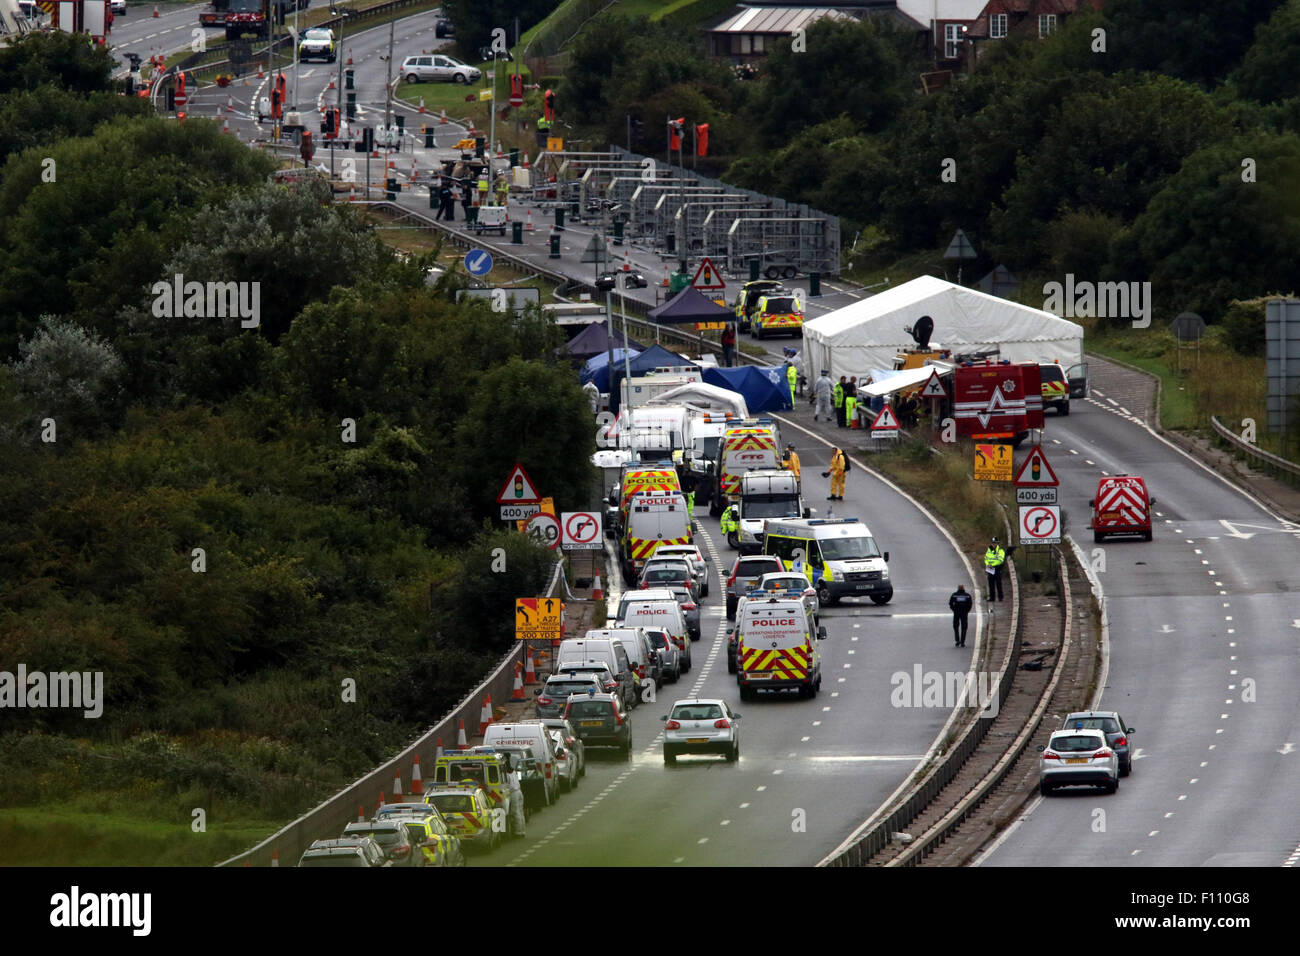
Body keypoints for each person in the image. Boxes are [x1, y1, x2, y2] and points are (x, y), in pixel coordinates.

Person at [984, 537, 1007, 602]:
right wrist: (987, 564)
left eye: (995, 543)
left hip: (997, 568)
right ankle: (992, 597)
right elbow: (986, 558)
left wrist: (992, 564)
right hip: (990, 568)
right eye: (993, 543)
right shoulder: (989, 550)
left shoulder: (1000, 550)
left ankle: (1000, 597)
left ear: (997, 543)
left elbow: (1000, 560)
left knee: (998, 583)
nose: (994, 544)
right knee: (991, 584)